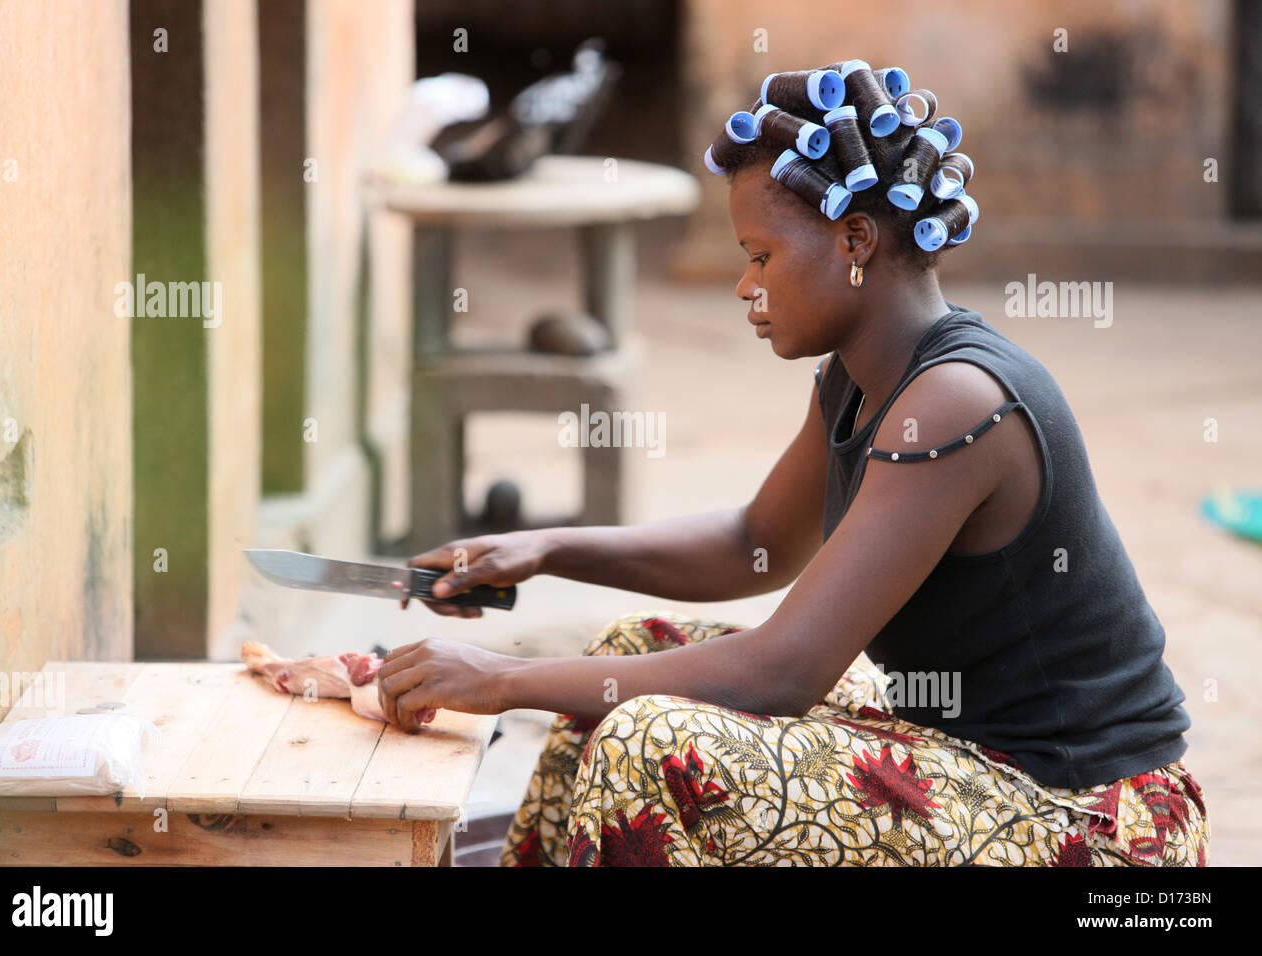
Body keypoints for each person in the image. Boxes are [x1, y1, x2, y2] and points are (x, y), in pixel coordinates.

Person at [376, 60, 1211, 867]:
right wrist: (550, 548)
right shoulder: (857, 377)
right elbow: (754, 543)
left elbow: (784, 671)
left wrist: (504, 678)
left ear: (854, 239)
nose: (745, 286)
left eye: (762, 256)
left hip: (1088, 815)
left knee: (650, 739)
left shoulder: (956, 401)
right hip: (964, 755)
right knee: (638, 646)